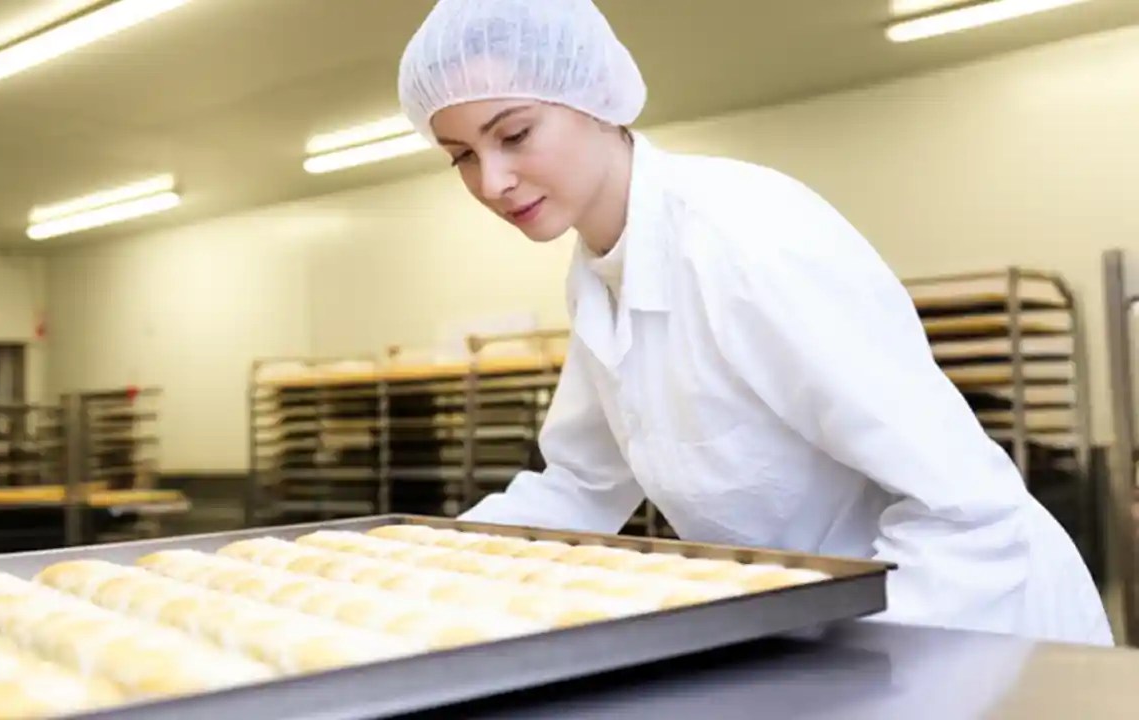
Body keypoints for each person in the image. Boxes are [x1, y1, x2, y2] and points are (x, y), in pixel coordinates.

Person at [397, 0, 1113, 646]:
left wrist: (821, 660)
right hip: (830, 632)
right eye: (462, 156)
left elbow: (965, 512)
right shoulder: (598, 274)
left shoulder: (745, 239)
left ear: (594, 98)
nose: (491, 182)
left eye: (515, 133)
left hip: (972, 625)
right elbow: (584, 483)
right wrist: (428, 566)